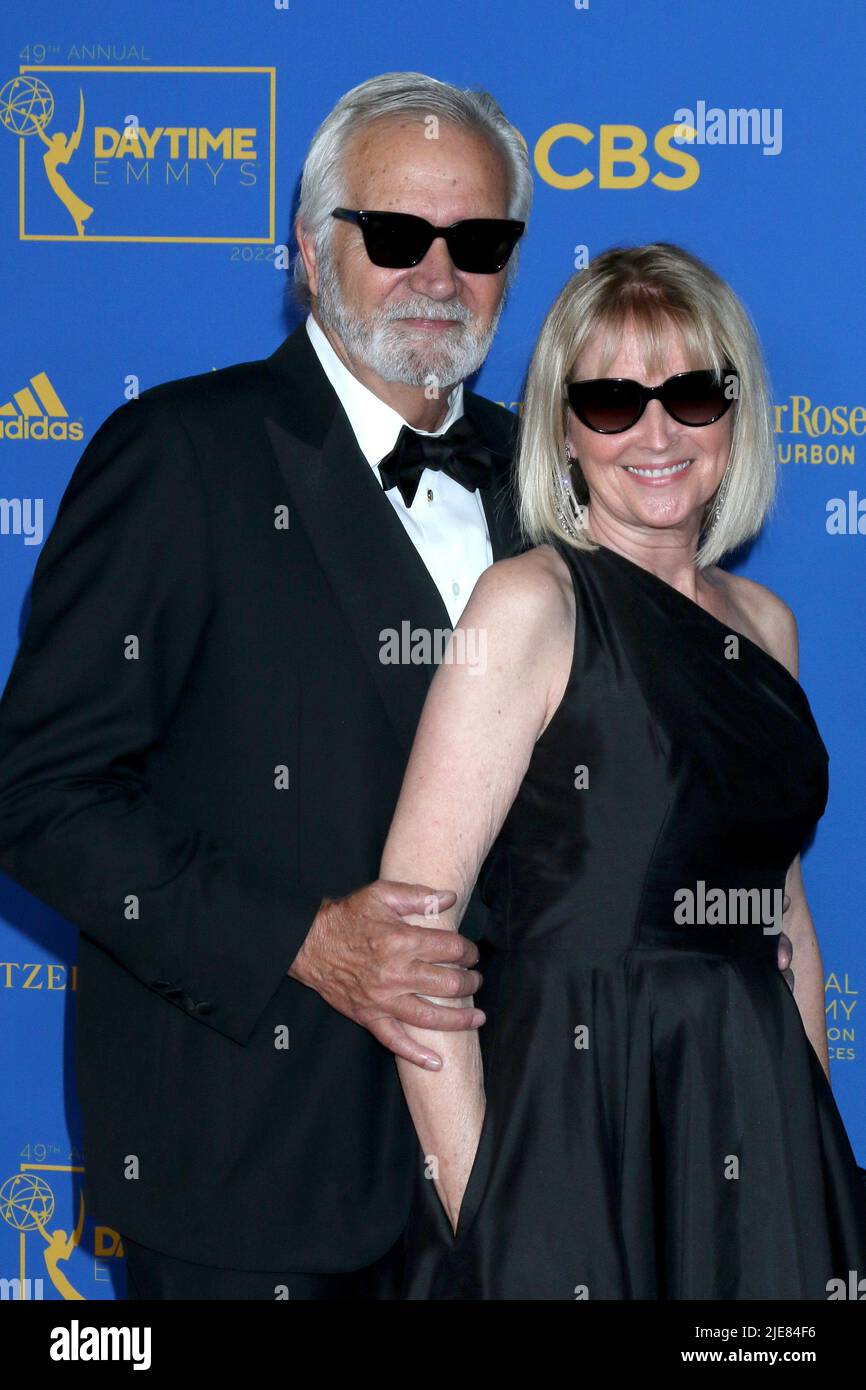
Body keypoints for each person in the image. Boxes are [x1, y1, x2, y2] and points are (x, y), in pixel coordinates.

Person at [0, 72, 532, 1299]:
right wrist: (301, 941)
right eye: (395, 235)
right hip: (251, 1160)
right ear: (306, 252)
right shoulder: (179, 457)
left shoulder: (547, 473)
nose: (437, 274)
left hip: (511, 1154)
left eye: (479, 239)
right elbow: (40, 792)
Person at [378, 243, 866, 1299]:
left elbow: (782, 926)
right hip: (565, 1124)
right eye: (610, 400)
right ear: (559, 424)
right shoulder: (529, 605)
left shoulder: (764, 625)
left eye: (690, 394)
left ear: (733, 416)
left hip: (750, 1124)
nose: (655, 433)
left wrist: (803, 1167)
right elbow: (410, 941)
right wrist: (491, 1212)